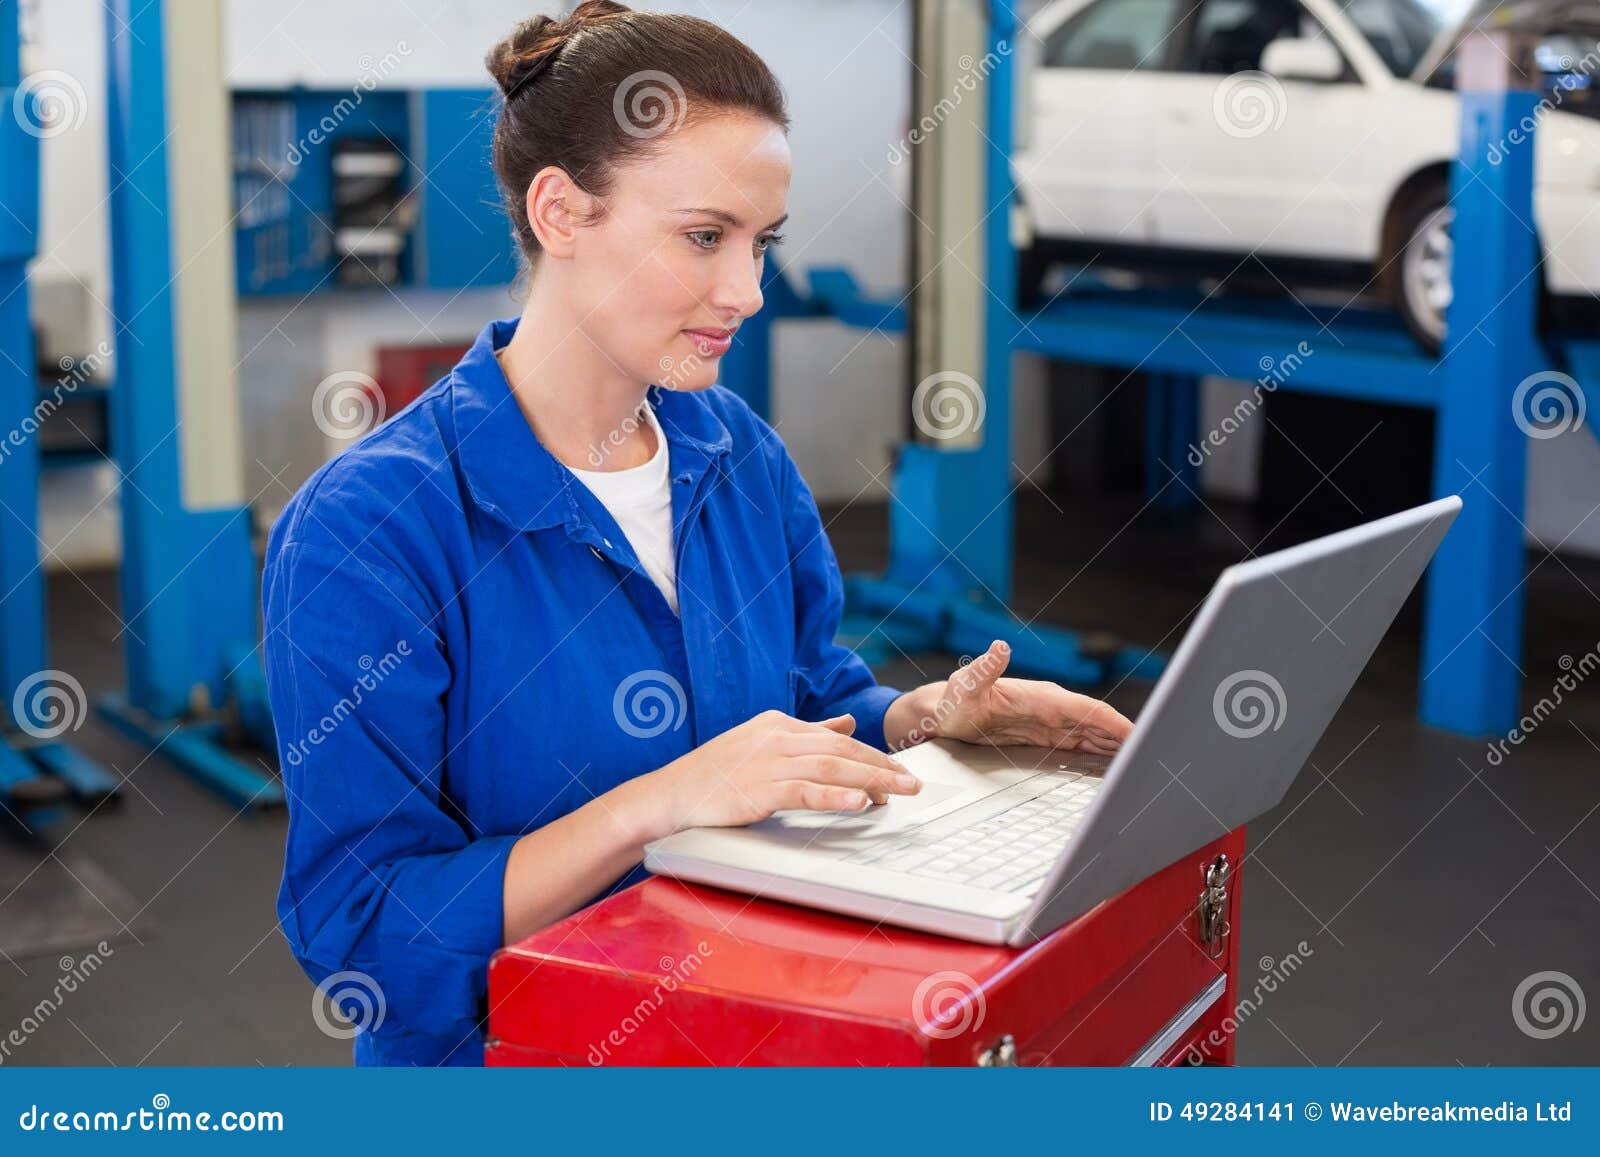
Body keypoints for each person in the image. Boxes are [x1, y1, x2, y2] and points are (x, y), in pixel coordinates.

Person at [261, 1, 1132, 1066]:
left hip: (747, 1033)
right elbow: (367, 939)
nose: (747, 290)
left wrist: (919, 718)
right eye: (704, 236)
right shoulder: (371, 530)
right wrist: (656, 805)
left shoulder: (737, 455)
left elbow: (809, 702)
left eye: (761, 243)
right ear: (560, 213)